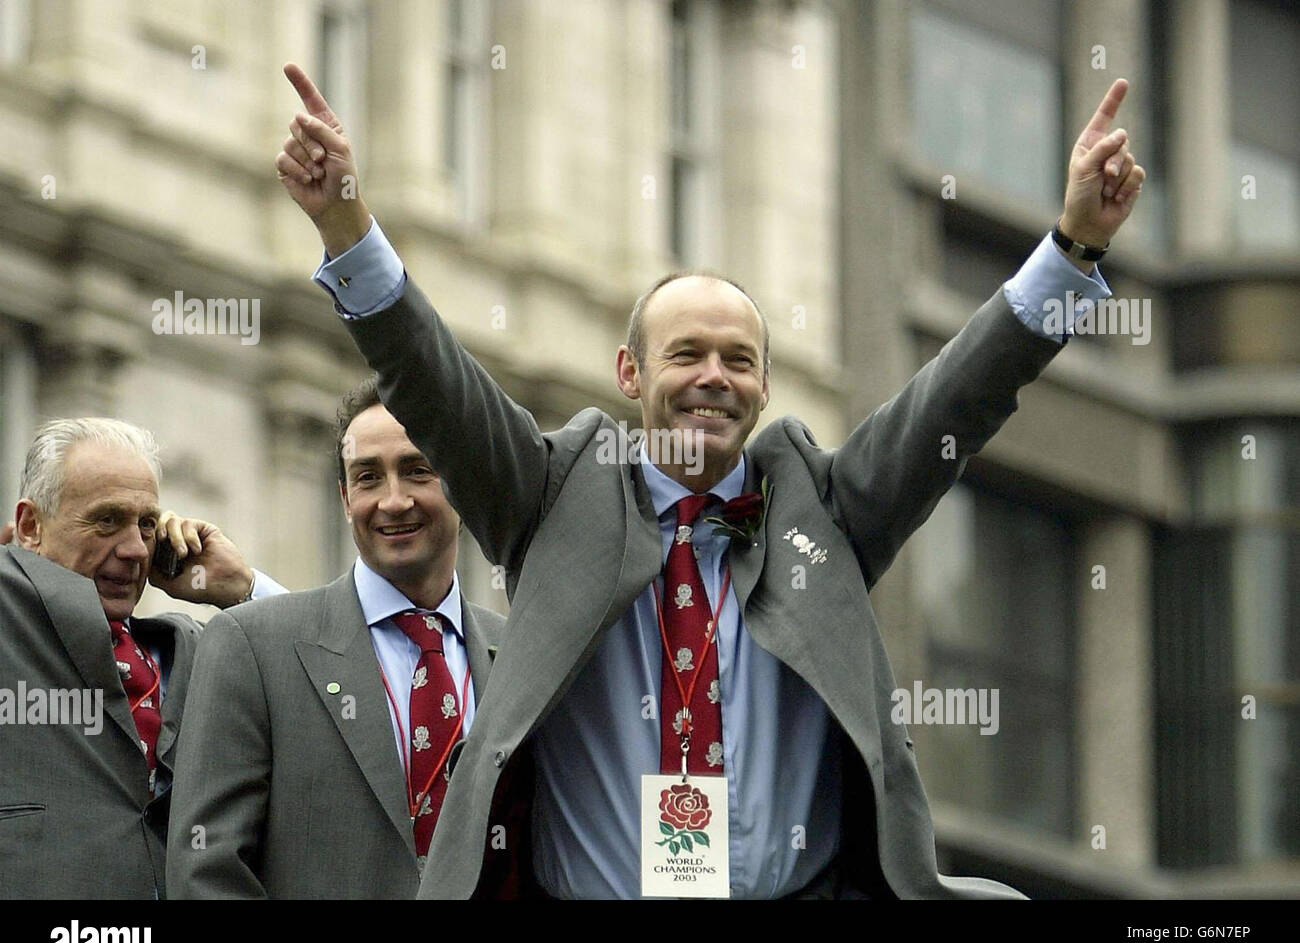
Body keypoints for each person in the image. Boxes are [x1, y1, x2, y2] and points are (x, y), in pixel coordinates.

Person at [276, 62, 1145, 899]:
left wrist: (1073, 248)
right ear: (629, 372)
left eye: (739, 360)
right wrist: (346, 226)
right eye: (686, 353)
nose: (713, 377)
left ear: (765, 388)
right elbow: (435, 384)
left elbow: (957, 399)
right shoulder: (550, 493)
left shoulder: (826, 507)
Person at [165, 380, 506, 898]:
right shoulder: (250, 647)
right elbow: (207, 873)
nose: (393, 501)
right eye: (368, 477)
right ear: (346, 498)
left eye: (417, 469)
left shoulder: (519, 654)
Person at [0, 417, 282, 898]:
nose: (135, 550)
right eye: (107, 520)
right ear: (30, 526)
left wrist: (241, 588)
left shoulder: (196, 651)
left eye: (147, 524)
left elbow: (331, 688)